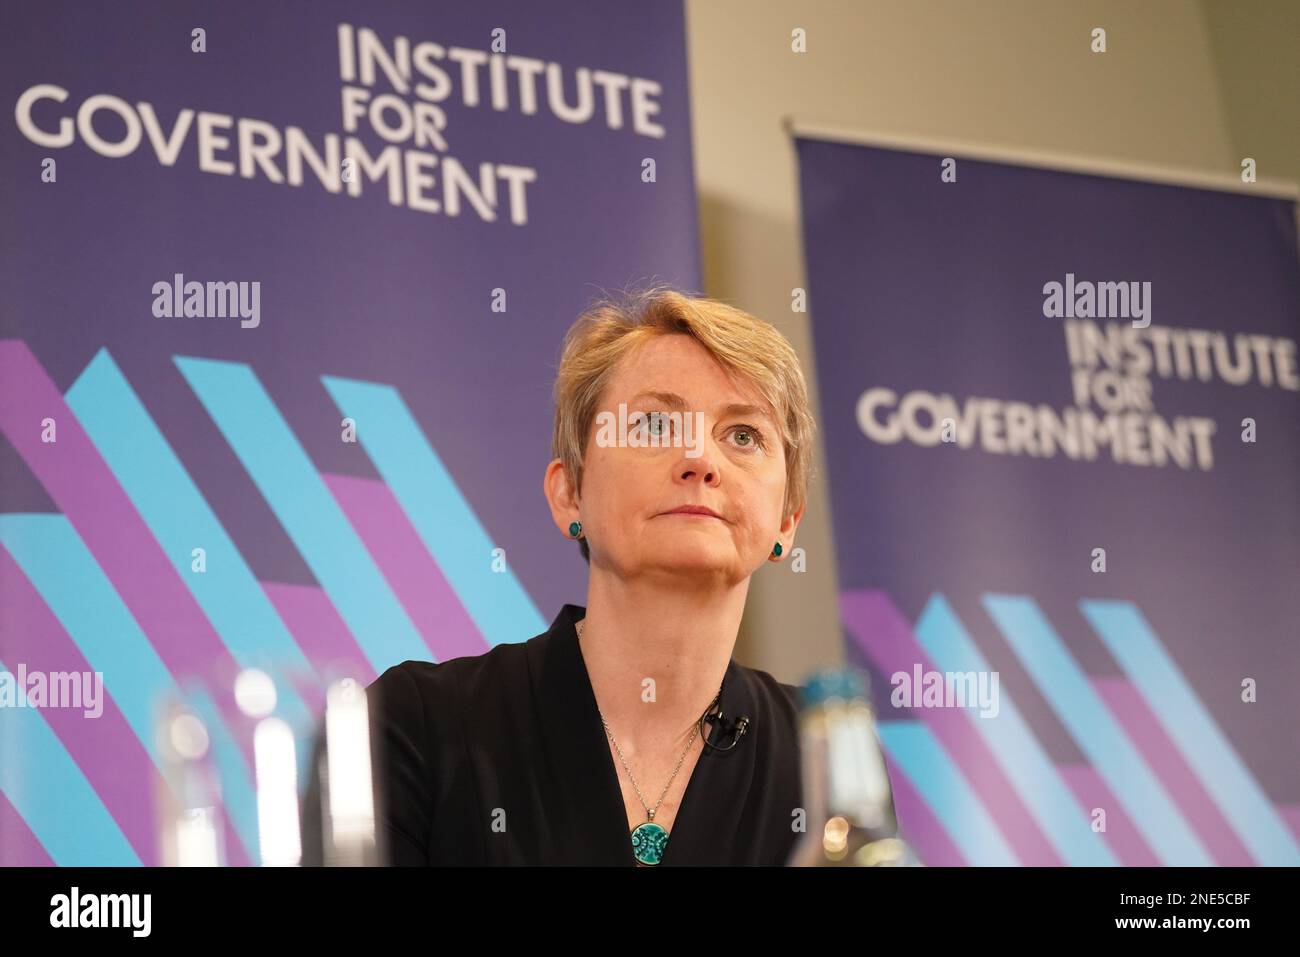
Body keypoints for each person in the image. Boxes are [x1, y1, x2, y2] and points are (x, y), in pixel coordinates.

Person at [302, 285, 817, 865]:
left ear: (787, 518)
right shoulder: (410, 727)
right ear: (569, 492)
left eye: (743, 436)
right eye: (652, 426)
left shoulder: (821, 756)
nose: (700, 459)